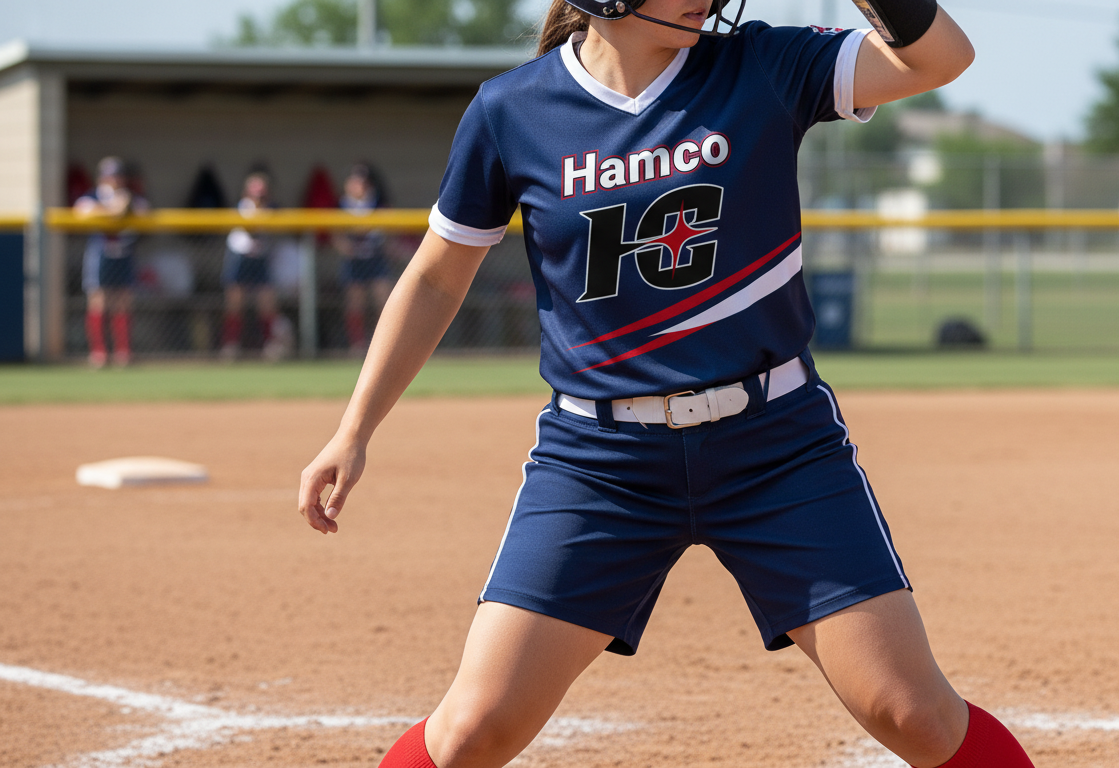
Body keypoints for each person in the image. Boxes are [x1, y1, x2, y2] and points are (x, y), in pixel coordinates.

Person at [298, 2, 1034, 767]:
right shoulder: (512, 111)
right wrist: (353, 430)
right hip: (599, 463)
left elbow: (939, 60)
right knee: (471, 731)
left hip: (776, 449)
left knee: (914, 714)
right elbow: (435, 279)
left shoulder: (762, 66)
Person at [76, 157, 150, 368]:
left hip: (124, 253)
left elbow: (144, 211)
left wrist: (125, 207)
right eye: (109, 175)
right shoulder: (93, 196)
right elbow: (82, 210)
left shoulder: (131, 197)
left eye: (117, 175)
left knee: (123, 302)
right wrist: (112, 210)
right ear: (101, 177)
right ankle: (99, 353)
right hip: (100, 252)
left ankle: (123, 352)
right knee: (98, 301)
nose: (114, 180)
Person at [221, 170, 290, 361]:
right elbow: (250, 229)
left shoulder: (272, 208)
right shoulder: (242, 206)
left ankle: (270, 344)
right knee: (235, 303)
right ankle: (231, 345)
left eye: (262, 193)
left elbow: (282, 226)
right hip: (240, 257)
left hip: (260, 258)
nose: (259, 197)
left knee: (267, 302)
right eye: (255, 193)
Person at [334, 163, 393, 355]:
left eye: (363, 182)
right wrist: (346, 246)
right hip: (354, 260)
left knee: (383, 300)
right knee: (355, 303)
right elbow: (336, 236)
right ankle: (357, 345)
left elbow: (387, 234)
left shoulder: (378, 203)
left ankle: (383, 345)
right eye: (355, 181)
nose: (358, 186)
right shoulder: (342, 205)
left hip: (375, 258)